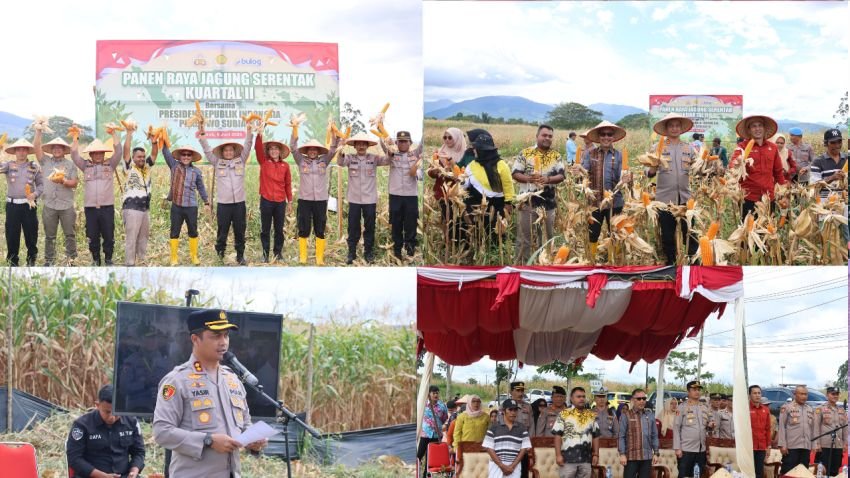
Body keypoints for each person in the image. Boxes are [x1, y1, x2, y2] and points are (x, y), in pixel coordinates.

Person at [153, 309, 266, 478]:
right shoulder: (177, 380)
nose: (223, 342)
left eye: (226, 335)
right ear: (195, 339)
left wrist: (253, 441)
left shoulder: (233, 379)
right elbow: (162, 432)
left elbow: (245, 425)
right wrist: (208, 441)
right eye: (215, 336)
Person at [198, 122, 254, 265]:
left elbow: (247, 147)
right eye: (226, 150)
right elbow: (207, 150)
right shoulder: (217, 163)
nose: (228, 152)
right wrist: (202, 132)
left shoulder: (240, 161)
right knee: (222, 231)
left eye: (231, 150)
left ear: (235, 152)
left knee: (240, 231)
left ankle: (240, 256)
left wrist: (249, 132)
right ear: (222, 153)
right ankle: (220, 255)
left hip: (239, 204)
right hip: (224, 205)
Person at [647, 113, 699, 265]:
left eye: (677, 126)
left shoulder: (688, 148)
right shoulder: (657, 148)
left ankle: (694, 262)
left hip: (685, 199)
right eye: (671, 126)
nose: (674, 128)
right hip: (664, 199)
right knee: (668, 235)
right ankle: (670, 262)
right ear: (666, 129)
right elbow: (649, 173)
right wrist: (651, 169)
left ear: (681, 129)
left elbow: (698, 168)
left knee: (690, 233)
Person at [512, 124, 566, 263]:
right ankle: (523, 266)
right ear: (537, 136)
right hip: (528, 202)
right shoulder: (525, 153)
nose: (547, 138)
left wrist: (548, 179)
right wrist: (530, 178)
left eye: (550, 136)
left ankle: (545, 266)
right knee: (525, 238)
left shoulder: (556, 156)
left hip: (548, 204)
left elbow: (561, 176)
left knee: (547, 237)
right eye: (544, 135)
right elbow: (515, 173)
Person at [577, 120, 631, 260]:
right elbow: (584, 174)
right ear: (599, 137)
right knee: (593, 233)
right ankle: (591, 260)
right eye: (603, 134)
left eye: (609, 134)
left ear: (613, 137)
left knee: (615, 232)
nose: (606, 137)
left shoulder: (619, 155)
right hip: (594, 202)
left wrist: (627, 179)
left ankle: (612, 261)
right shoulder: (590, 154)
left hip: (615, 202)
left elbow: (624, 177)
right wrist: (579, 172)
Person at [66, 384, 145, 478]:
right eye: (107, 412)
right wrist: (102, 476)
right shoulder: (82, 425)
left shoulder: (131, 422)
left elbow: (139, 452)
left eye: (116, 413)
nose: (112, 417)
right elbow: (74, 458)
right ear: (97, 405)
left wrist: (134, 471)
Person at [71, 130, 123, 266]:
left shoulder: (110, 165)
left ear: (104, 153)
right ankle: (95, 259)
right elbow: (74, 155)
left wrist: (113, 134)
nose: (98, 155)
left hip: (107, 208)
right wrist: (75, 137)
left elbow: (118, 152)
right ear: (91, 154)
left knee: (108, 235)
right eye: (95, 152)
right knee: (92, 236)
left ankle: (108, 259)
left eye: (100, 152)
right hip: (91, 209)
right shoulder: (85, 166)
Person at [289, 132, 340, 265]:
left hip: (321, 200)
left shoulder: (324, 160)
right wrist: (295, 131)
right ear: (307, 151)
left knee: (320, 227)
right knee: (303, 227)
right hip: (304, 199)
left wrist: (335, 136)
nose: (312, 151)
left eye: (315, 149)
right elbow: (293, 148)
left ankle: (319, 258)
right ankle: (303, 256)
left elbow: (333, 149)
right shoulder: (301, 160)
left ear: (318, 151)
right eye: (310, 149)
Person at [338, 132, 389, 264]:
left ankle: (368, 252)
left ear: (367, 145)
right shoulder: (349, 157)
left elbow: (388, 159)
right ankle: (352, 252)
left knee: (369, 227)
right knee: (353, 227)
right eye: (358, 144)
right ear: (354, 146)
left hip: (370, 200)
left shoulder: (374, 158)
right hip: (354, 199)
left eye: (363, 144)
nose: (361, 146)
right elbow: (340, 162)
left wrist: (385, 142)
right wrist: (340, 149)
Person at [462, 130, 515, 248]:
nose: (473, 150)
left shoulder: (501, 165)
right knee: (478, 231)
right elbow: (465, 184)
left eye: (476, 148)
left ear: (483, 151)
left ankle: (495, 253)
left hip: (497, 205)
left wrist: (508, 204)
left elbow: (508, 185)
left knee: (496, 233)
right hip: (477, 205)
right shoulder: (471, 166)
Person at [33, 129, 78, 266]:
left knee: (69, 234)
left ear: (65, 150)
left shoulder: (70, 165)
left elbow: (75, 183)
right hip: (49, 204)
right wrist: (39, 131)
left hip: (66, 205)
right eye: (55, 147)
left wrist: (63, 181)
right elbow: (36, 147)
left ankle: (71, 260)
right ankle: (49, 260)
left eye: (60, 148)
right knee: (50, 235)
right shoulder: (45, 161)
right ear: (51, 150)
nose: (57, 149)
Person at [729, 115, 786, 220]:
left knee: (767, 230)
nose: (757, 129)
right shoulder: (742, 147)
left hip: (768, 197)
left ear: (764, 129)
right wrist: (738, 163)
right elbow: (732, 166)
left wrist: (783, 192)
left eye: (760, 126)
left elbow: (778, 172)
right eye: (753, 126)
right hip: (748, 198)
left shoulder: (772, 147)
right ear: (749, 130)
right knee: (749, 232)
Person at [162, 142, 210, 266]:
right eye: (184, 154)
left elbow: (201, 188)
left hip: (191, 206)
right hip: (177, 206)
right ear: (180, 156)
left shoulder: (196, 172)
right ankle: (173, 258)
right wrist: (163, 139)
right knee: (174, 231)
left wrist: (206, 202)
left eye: (189, 155)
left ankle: (194, 256)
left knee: (193, 231)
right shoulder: (174, 166)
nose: (186, 157)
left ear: (192, 157)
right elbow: (166, 153)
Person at [1, 138, 44, 266]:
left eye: (24, 149)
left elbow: (42, 185)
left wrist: (34, 194)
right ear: (15, 151)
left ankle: (31, 261)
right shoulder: (8, 165)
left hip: (29, 205)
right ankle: (13, 262)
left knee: (31, 235)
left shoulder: (34, 166)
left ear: (27, 151)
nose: (21, 152)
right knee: (12, 235)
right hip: (12, 206)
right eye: (18, 149)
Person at [381, 131, 422, 259]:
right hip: (395, 195)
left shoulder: (415, 155)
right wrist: (379, 126)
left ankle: (410, 249)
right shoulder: (392, 154)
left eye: (405, 141)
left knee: (411, 223)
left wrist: (416, 172)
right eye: (400, 141)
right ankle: (397, 250)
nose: (403, 143)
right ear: (396, 142)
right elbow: (383, 143)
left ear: (410, 142)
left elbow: (423, 144)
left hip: (411, 196)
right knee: (396, 223)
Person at [119, 126, 156, 266]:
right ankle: (129, 263)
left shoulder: (146, 167)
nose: (141, 159)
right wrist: (128, 133)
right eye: (138, 157)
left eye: (142, 156)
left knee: (143, 236)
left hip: (145, 208)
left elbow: (154, 154)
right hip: (132, 207)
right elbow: (126, 150)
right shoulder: (129, 167)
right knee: (132, 237)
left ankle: (141, 260)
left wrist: (154, 142)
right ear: (133, 158)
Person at [254, 131, 292, 263]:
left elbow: (287, 184)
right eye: (271, 148)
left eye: (276, 148)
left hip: (280, 201)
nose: (274, 151)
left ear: (280, 151)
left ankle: (278, 252)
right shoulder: (264, 162)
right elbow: (258, 148)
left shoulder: (285, 166)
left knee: (279, 229)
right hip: (266, 200)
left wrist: (290, 201)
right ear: (268, 151)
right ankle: (265, 254)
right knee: (265, 229)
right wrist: (259, 134)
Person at [428, 127, 467, 251]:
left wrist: (452, 167)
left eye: (450, 137)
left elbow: (465, 174)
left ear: (457, 138)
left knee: (460, 219)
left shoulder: (465, 154)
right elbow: (431, 172)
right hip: (442, 191)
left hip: (459, 192)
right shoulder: (439, 152)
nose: (447, 140)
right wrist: (435, 171)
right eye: (444, 137)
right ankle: (449, 243)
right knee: (447, 218)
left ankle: (462, 244)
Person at [552, 387, 599, 478]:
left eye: (583, 396)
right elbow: (557, 435)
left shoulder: (591, 415)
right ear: (571, 398)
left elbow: (596, 435)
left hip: (586, 459)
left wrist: (596, 454)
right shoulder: (564, 414)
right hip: (568, 459)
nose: (581, 399)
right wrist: (558, 455)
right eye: (578, 396)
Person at [809, 128, 848, 240]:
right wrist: (832, 178)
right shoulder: (818, 162)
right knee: (828, 237)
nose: (837, 145)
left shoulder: (846, 159)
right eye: (833, 142)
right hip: (826, 204)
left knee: (846, 235)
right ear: (826, 144)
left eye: (839, 141)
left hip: (844, 201)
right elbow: (814, 185)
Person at [673, 381, 714, 478]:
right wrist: (677, 448)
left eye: (699, 390)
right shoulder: (682, 407)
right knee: (684, 475)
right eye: (694, 389)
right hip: (686, 450)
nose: (697, 392)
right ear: (688, 392)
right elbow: (676, 428)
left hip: (701, 450)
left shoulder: (704, 407)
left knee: (697, 476)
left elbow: (707, 428)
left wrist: (710, 426)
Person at [483, 399, 532, 478]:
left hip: (514, 468)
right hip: (496, 467)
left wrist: (512, 466)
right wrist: (502, 465)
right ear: (503, 411)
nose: (513, 412)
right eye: (510, 409)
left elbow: (524, 448)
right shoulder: (494, 427)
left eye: (515, 410)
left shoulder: (522, 428)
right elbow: (489, 448)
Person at [618, 388, 659, 478]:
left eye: (644, 399)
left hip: (646, 457)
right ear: (633, 400)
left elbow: (654, 436)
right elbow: (621, 437)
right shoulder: (626, 415)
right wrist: (622, 454)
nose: (642, 401)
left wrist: (656, 453)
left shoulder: (650, 415)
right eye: (639, 399)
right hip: (631, 457)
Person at [777, 385, 814, 475]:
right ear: (795, 394)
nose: (804, 396)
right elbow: (782, 427)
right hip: (791, 447)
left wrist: (813, 445)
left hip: (805, 447)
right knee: (788, 473)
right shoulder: (787, 408)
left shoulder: (809, 409)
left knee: (803, 473)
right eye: (801, 394)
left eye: (806, 394)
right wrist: (782, 445)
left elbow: (812, 428)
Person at [814, 386, 846, 477]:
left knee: (834, 470)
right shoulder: (820, 409)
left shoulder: (841, 410)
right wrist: (817, 443)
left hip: (838, 445)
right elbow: (816, 427)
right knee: (823, 470)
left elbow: (845, 428)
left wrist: (844, 443)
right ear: (827, 395)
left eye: (837, 394)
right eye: (833, 394)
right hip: (825, 445)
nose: (835, 396)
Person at [418, 385, 448, 477]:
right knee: (418, 456)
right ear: (429, 394)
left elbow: (444, 418)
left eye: (437, 393)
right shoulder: (423, 404)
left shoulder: (442, 406)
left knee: (430, 459)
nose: (436, 395)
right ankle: (415, 473)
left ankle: (426, 475)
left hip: (436, 435)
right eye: (433, 393)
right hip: (425, 434)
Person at [748, 385, 772, 478]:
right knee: (749, 472)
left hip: (761, 447)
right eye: (754, 393)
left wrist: (768, 446)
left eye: (759, 393)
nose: (757, 395)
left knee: (759, 472)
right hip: (749, 446)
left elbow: (768, 429)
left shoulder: (765, 410)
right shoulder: (745, 409)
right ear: (749, 395)